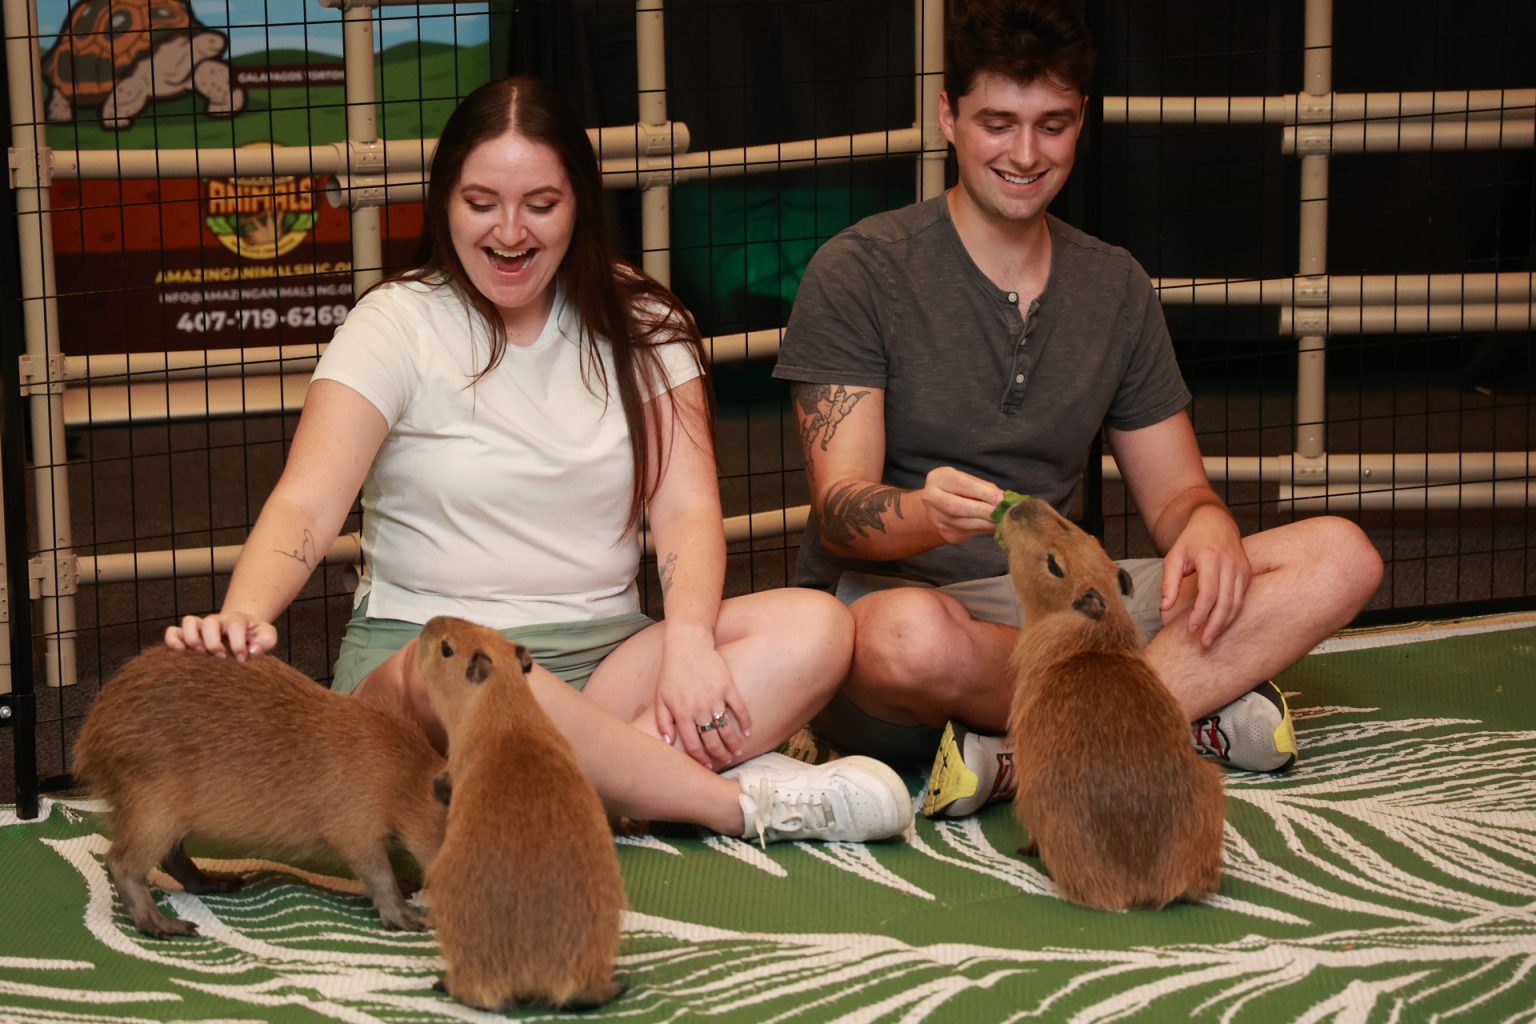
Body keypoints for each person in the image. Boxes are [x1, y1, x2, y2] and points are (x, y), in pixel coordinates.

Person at [165, 76, 912, 846]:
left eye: (541, 205)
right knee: (470, 675)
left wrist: (688, 646)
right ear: (445, 202)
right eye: (481, 203)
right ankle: (732, 804)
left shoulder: (649, 322)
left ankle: (575, 790)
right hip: (430, 665)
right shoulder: (394, 321)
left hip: (603, 663)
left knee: (818, 626)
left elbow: (686, 511)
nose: (510, 232)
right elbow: (305, 505)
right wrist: (246, 615)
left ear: (580, 203)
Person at [771, 0, 1384, 817]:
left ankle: (1034, 751)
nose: (1025, 154)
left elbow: (1176, 495)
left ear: (1081, 121)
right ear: (948, 117)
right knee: (901, 639)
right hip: (912, 619)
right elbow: (841, 516)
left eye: (1051, 125)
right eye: (998, 123)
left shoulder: (1115, 283)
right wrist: (924, 512)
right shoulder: (859, 271)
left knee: (1341, 556)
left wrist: (1205, 525)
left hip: (1066, 605)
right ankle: (1176, 708)